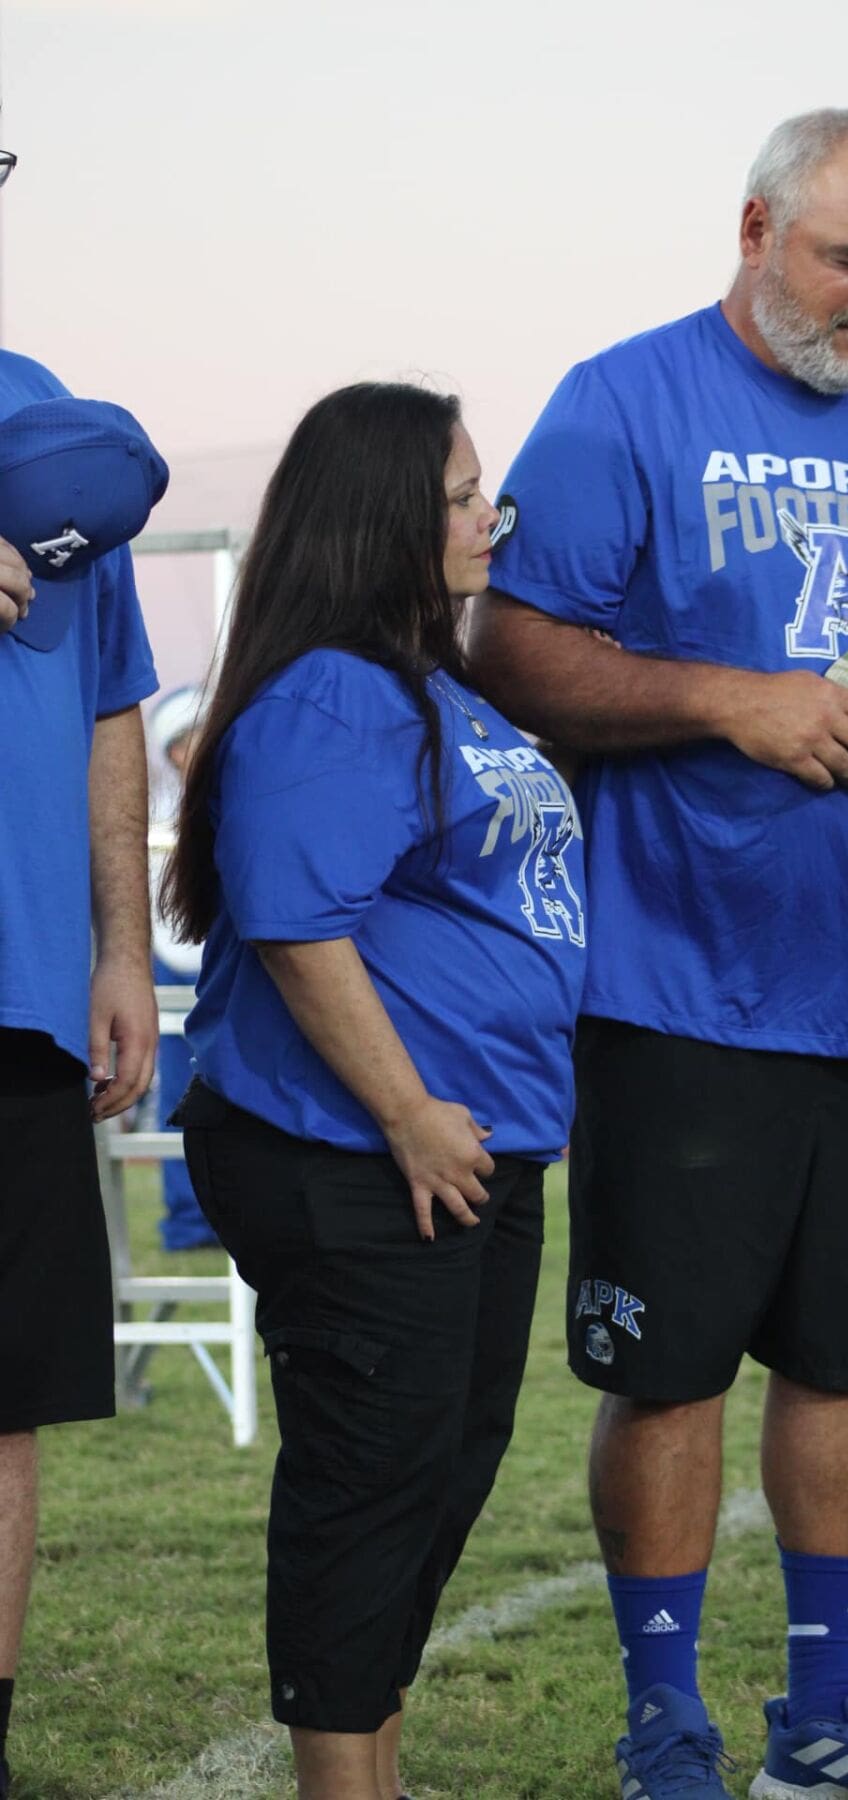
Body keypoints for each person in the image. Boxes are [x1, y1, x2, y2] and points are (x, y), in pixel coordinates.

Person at [470, 108, 848, 1800]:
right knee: (670, 1367)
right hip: (682, 977)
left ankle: (829, 1718)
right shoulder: (621, 398)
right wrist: (730, 698)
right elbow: (510, 644)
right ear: (753, 230)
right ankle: (667, 1723)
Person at [161, 382, 586, 1800]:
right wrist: (407, 1109)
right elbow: (294, 919)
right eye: (463, 498)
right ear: (383, 515)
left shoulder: (432, 687)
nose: (488, 521)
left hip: (466, 1143)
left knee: (444, 1470)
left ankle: (377, 1778)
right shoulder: (337, 689)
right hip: (357, 1146)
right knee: (372, 1483)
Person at [0, 155, 163, 1798]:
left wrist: (120, 945)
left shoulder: (49, 421)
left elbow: (111, 702)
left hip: (23, 988)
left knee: (4, 1403)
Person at [147, 685, 219, 1249]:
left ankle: (226, 1213)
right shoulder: (155, 815)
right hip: (172, 968)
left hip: (224, 967)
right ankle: (188, 1219)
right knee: (177, 1094)